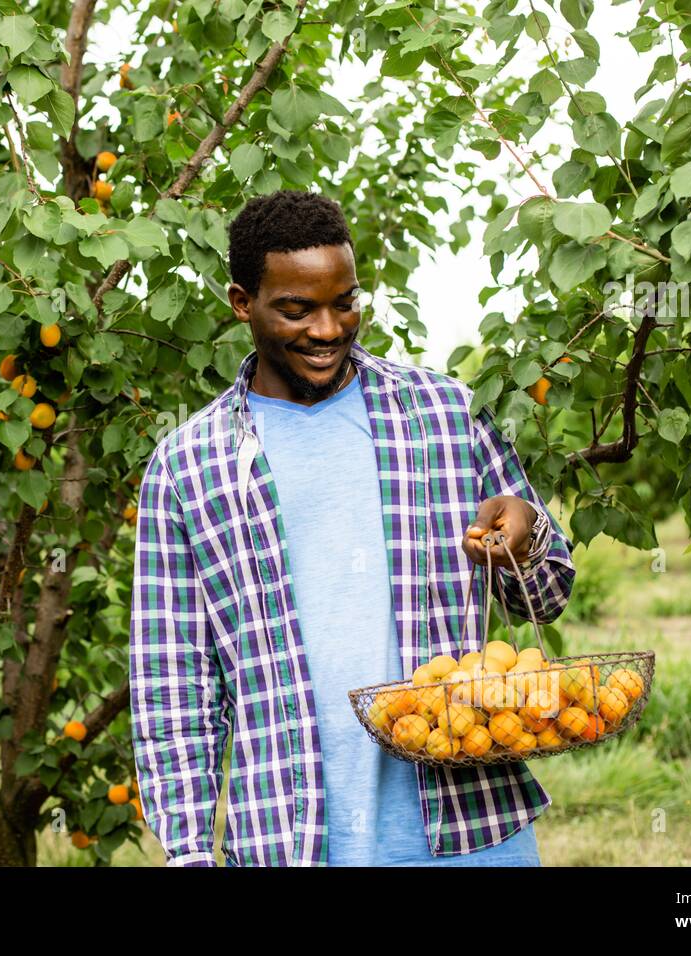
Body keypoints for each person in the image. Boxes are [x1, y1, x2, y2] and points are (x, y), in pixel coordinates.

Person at [128, 189, 575, 867]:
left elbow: (547, 595)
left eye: (346, 302)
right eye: (297, 310)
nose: (329, 329)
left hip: (470, 828)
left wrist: (528, 531)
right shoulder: (190, 466)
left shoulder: (447, 415)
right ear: (241, 303)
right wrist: (189, 853)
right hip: (293, 836)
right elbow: (173, 685)